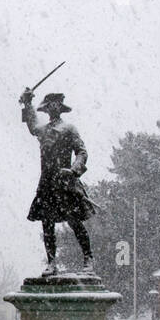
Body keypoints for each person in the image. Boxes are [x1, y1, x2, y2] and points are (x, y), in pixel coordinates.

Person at [20, 90, 98, 276]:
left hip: (64, 182)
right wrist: (27, 103)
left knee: (74, 222)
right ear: (47, 109)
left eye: (56, 105)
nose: (53, 108)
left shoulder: (69, 129)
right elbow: (32, 125)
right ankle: (51, 262)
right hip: (47, 183)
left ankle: (88, 259)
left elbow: (82, 152)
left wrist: (73, 170)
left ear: (60, 108)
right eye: (50, 105)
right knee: (47, 224)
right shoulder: (44, 130)